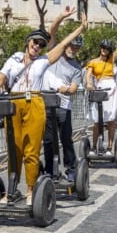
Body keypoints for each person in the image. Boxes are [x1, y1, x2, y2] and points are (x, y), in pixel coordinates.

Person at [0, 13, 88, 206]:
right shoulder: (14, 59)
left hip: (34, 103)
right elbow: (2, 78)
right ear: (28, 41)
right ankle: (12, 191)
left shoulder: (43, 61)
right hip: (13, 104)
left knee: (31, 151)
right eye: (35, 42)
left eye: (41, 44)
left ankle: (31, 190)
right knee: (14, 150)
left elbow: (63, 44)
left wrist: (80, 29)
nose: (37, 46)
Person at [84, 19, 117, 153]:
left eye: (107, 49)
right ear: (100, 48)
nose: (104, 50)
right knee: (96, 122)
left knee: (111, 120)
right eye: (103, 47)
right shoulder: (93, 62)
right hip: (99, 88)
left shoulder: (112, 61)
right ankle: (94, 147)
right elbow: (88, 75)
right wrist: (88, 83)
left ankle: (110, 146)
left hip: (111, 88)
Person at [42, 33, 83, 181]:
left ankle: (71, 168)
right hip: (47, 104)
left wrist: (60, 88)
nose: (73, 49)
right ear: (66, 45)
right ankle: (50, 169)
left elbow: (72, 89)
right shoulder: (55, 55)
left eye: (76, 47)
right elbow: (52, 31)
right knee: (48, 140)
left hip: (64, 107)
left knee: (66, 139)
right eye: (71, 46)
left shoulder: (77, 68)